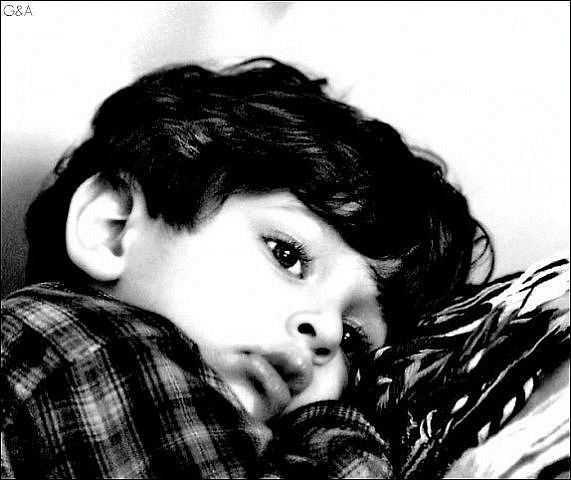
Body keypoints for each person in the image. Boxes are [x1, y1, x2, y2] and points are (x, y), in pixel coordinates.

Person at [1, 57, 490, 478]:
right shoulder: (92, 342)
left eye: (353, 339)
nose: (325, 330)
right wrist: (337, 430)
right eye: (287, 255)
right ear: (111, 228)